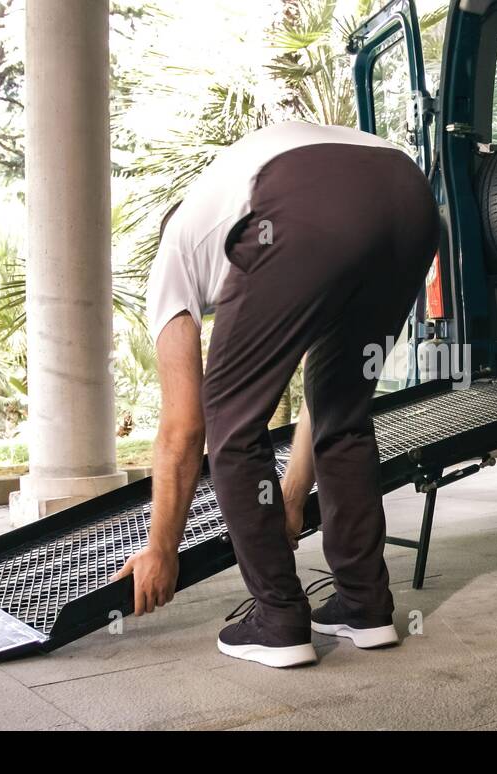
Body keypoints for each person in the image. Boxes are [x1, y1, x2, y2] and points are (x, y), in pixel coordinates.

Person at [112, 121, 440, 669]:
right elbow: (324, 400)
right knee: (345, 411)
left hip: (305, 197)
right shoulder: (230, 202)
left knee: (232, 421)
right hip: (411, 199)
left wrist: (162, 547)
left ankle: (279, 619)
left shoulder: (172, 257)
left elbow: (187, 427)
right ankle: (366, 606)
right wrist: (289, 496)